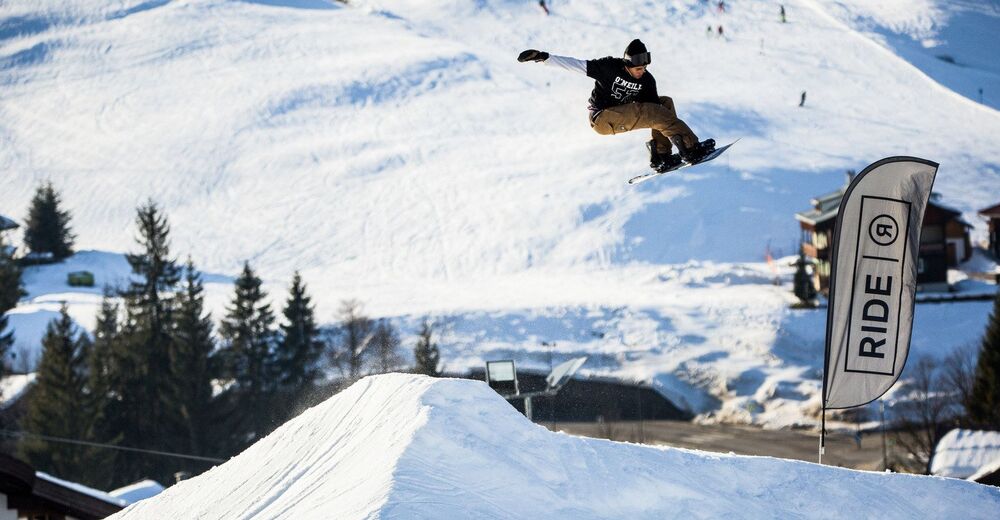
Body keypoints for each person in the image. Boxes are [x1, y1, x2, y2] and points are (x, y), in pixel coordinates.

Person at [517, 39, 714, 172]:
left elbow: (659, 116)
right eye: (638, 68)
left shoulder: (647, 80)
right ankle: (690, 148)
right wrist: (544, 57)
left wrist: (665, 136)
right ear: (627, 64)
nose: (642, 72)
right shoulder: (608, 67)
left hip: (622, 114)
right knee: (653, 111)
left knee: (664, 103)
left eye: (644, 68)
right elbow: (575, 65)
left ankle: (661, 155)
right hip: (602, 118)